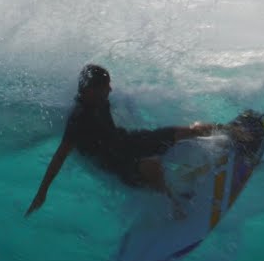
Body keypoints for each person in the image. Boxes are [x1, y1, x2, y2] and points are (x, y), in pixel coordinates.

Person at [26, 64, 231, 217]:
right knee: (152, 167)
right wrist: (42, 192)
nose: (110, 90)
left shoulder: (101, 100)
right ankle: (174, 205)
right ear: (90, 90)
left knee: (185, 132)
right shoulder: (78, 119)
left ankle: (229, 131)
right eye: (106, 86)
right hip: (113, 161)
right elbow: (60, 156)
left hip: (127, 142)